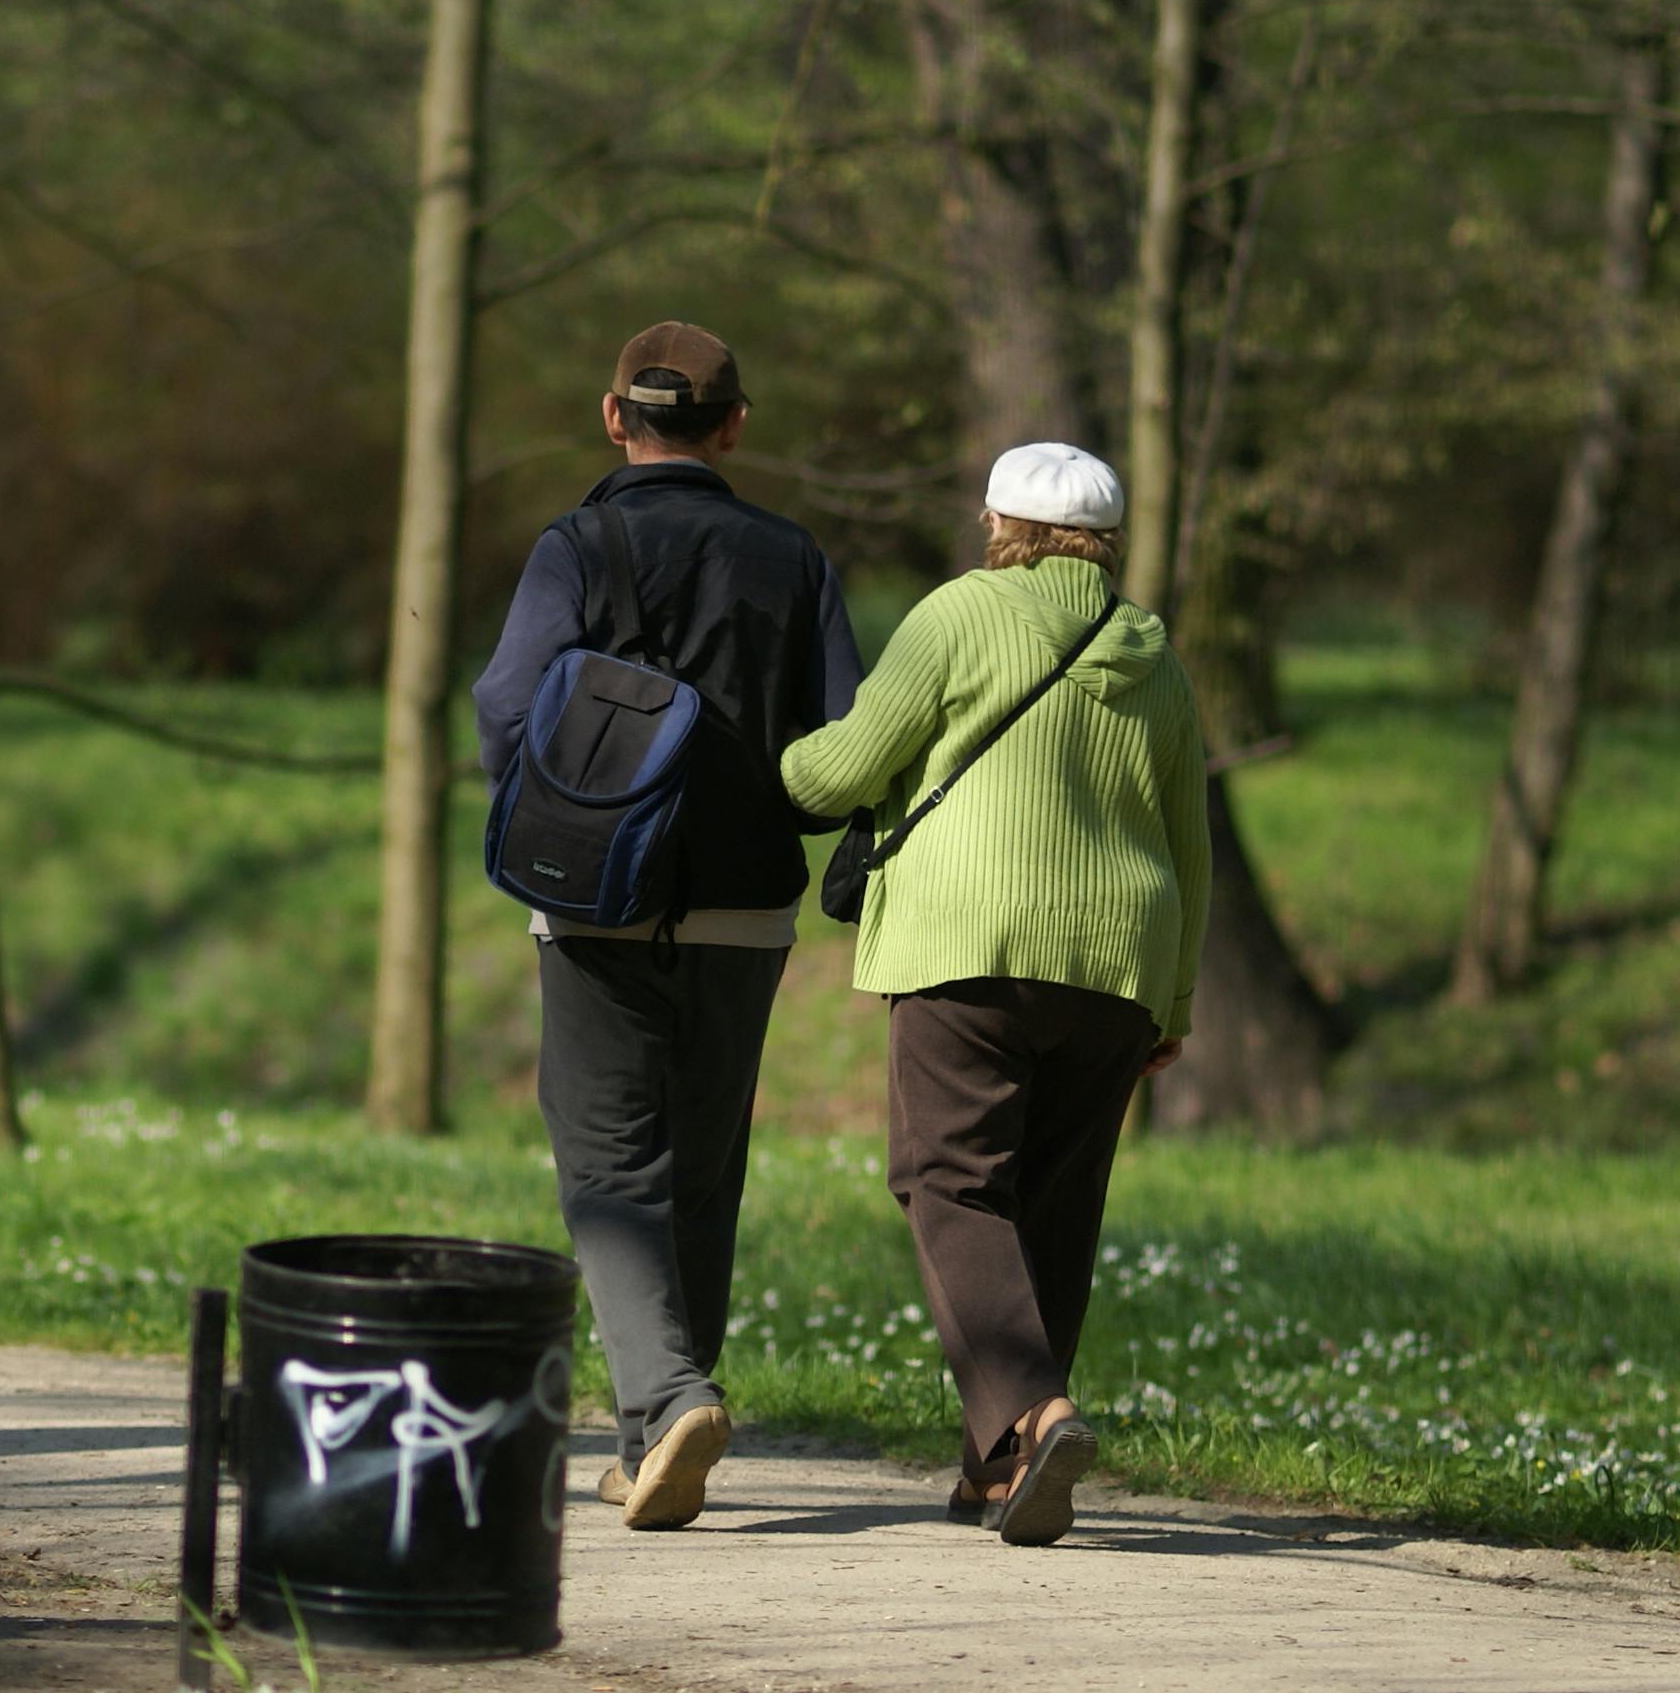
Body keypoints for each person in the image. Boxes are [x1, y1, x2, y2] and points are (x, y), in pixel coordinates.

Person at [777, 445, 1209, 1548]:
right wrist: (1173, 1000)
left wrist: (766, 762)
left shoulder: (957, 615)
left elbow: (839, 773)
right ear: (1104, 539)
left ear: (997, 524)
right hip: (1120, 959)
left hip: (969, 942)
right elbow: (1188, 843)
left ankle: (1036, 1403)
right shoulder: (1151, 654)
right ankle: (999, 1467)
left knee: (947, 1180)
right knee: (1050, 1207)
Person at [470, 322, 863, 1532]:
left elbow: (500, 703)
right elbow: (840, 736)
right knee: (701, 1167)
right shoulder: (790, 557)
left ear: (611, 417)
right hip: (745, 909)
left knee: (602, 1162)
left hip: (596, 900)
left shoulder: (577, 543)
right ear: (733, 424)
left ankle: (670, 1390)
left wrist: (544, 814)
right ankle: (652, 1438)